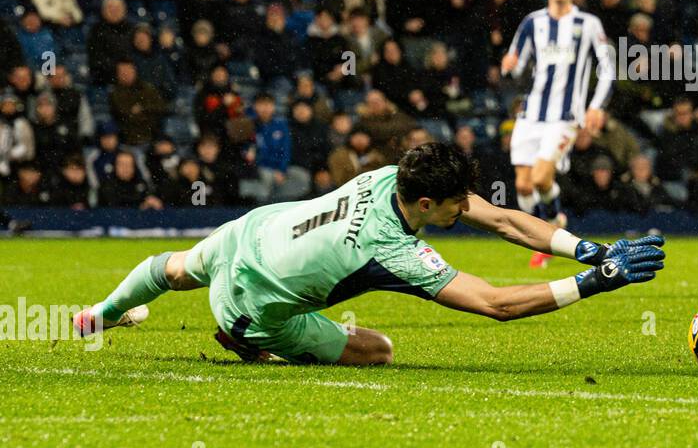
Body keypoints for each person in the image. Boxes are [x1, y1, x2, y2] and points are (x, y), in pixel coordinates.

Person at [73, 142, 665, 366]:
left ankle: (100, 313)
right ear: (428, 201)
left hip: (249, 232)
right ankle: (247, 341)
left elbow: (506, 221)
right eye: (456, 203)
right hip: (250, 307)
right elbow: (496, 304)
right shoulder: (394, 252)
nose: (467, 210)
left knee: (171, 270)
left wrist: (593, 252)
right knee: (377, 349)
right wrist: (595, 283)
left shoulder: (392, 176)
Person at [501, 0, 614, 267]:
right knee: (523, 185)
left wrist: (595, 106)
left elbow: (607, 68)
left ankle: (551, 230)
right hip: (531, 114)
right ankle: (551, 223)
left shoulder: (588, 24)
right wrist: (507, 67)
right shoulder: (532, 22)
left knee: (540, 178)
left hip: (565, 117)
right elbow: (515, 65)